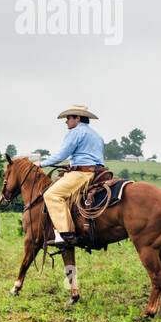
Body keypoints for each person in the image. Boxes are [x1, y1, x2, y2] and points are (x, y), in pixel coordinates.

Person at [40, 104, 106, 246]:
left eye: (68, 118)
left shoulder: (76, 132)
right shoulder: (97, 135)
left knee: (51, 195)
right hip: (98, 172)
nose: (66, 121)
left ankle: (66, 234)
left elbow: (61, 155)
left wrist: (40, 164)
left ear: (77, 118)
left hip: (82, 174)